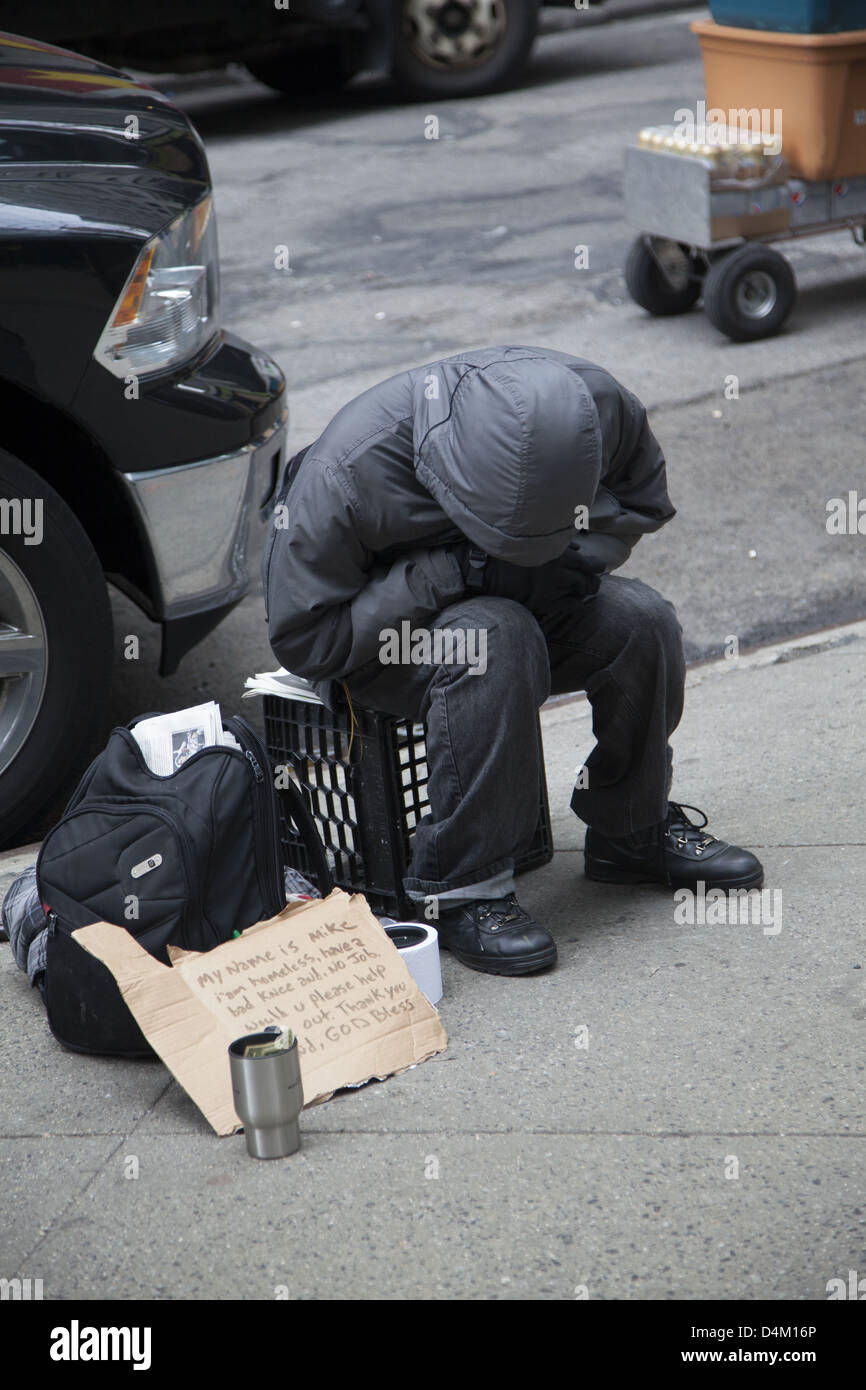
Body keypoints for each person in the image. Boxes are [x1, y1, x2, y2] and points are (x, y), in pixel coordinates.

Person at [264, 345, 763, 976]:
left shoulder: (595, 406)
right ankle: (460, 889)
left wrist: (567, 561)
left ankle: (629, 832)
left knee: (642, 620)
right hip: (383, 645)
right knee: (494, 635)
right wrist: (449, 571)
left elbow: (643, 504)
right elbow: (308, 641)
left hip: (520, 597)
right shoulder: (344, 475)